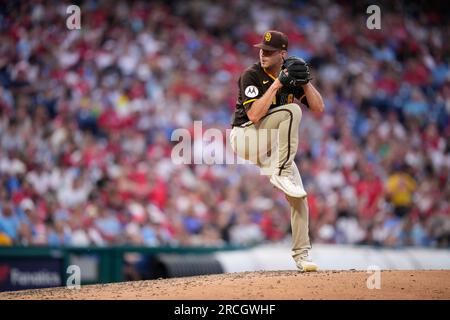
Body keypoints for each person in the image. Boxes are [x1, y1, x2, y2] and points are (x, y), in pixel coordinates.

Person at [230, 30, 324, 271]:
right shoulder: (251, 74)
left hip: (273, 148)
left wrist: (305, 82)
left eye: (269, 52)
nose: (263, 54)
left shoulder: (291, 77)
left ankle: (302, 255)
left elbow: (318, 107)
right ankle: (281, 172)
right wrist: (278, 84)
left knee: (299, 196)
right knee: (293, 111)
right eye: (262, 50)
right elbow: (254, 115)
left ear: (283, 54)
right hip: (247, 136)